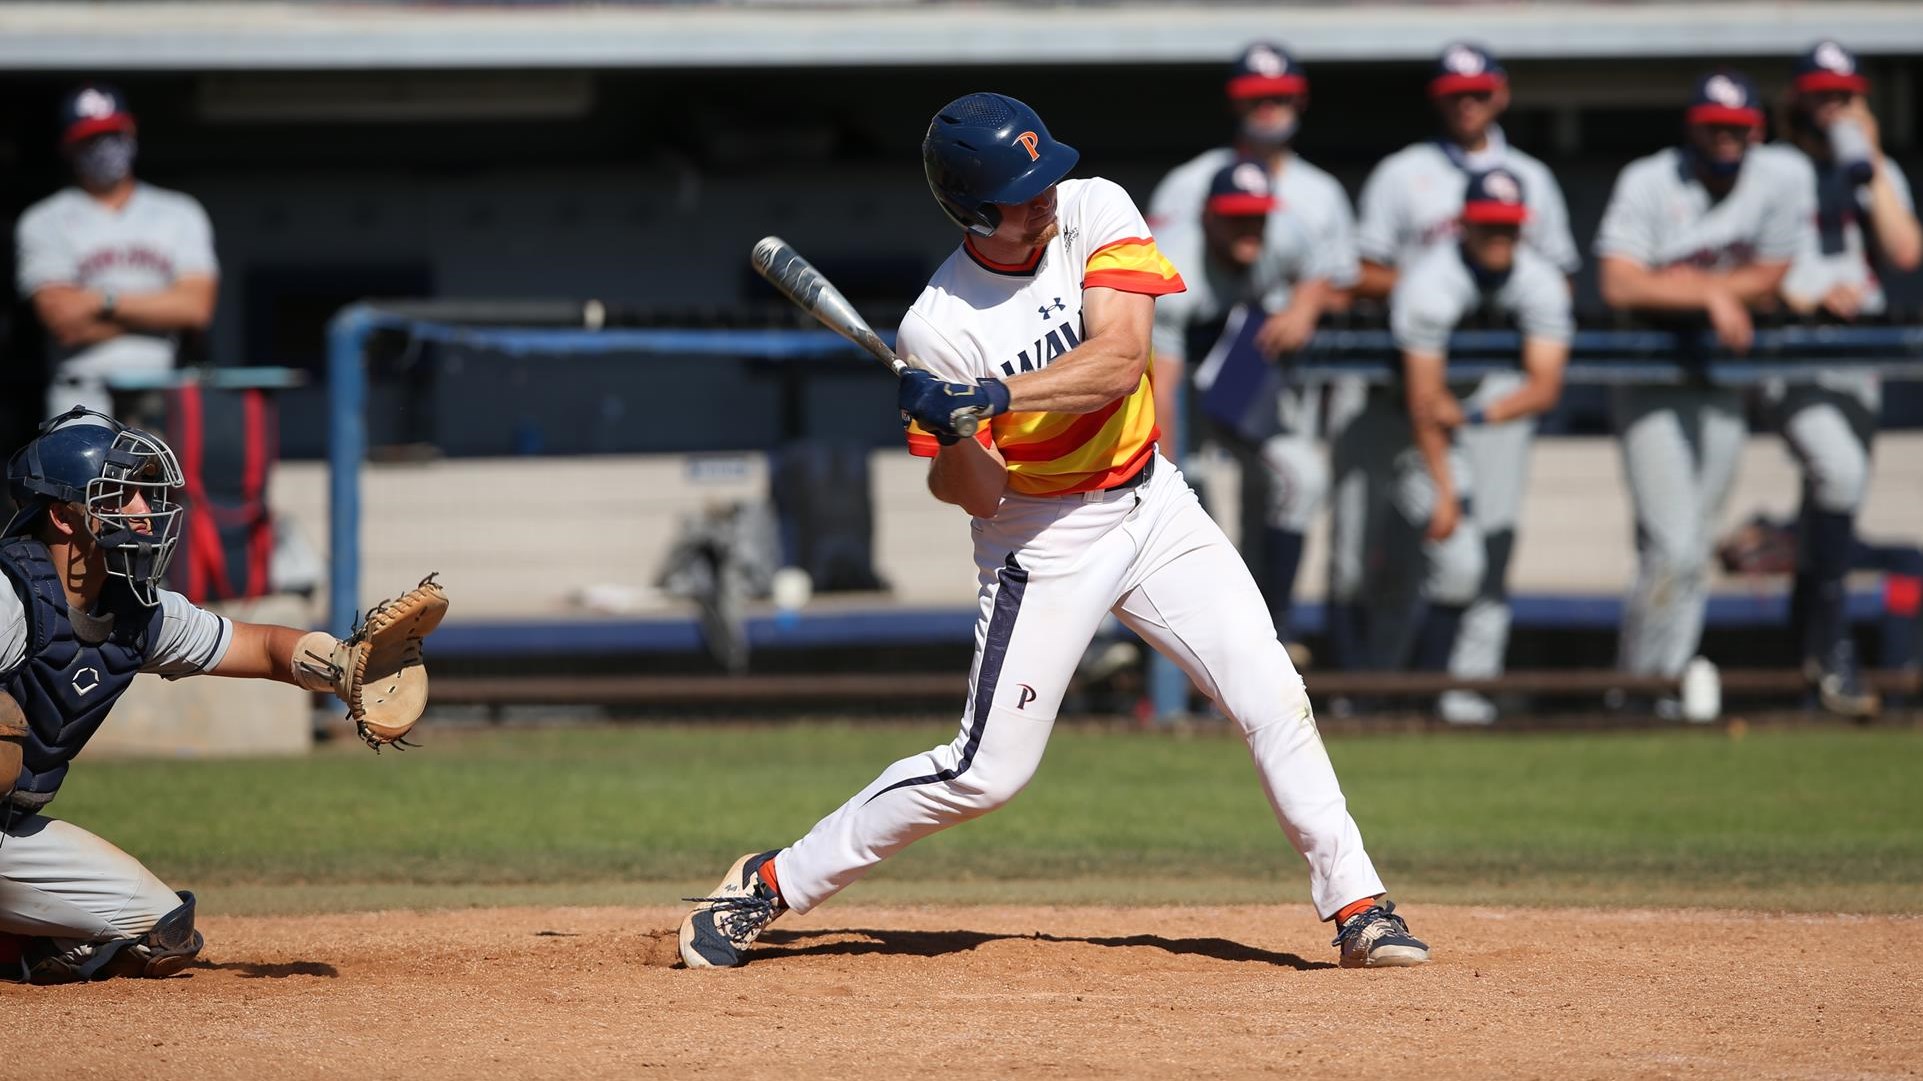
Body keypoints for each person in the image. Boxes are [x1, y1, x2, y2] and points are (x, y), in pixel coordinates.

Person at [678, 92, 1428, 972]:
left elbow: (1118, 361)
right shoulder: (937, 326)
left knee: (1270, 691)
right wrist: (954, 431)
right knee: (984, 772)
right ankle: (771, 881)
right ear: (970, 209)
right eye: (1021, 191)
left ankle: (1357, 903)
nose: (1045, 196)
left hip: (1152, 501)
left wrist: (992, 396)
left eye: (1044, 179)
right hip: (1041, 537)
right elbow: (977, 495)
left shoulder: (1093, 208)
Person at [0, 408, 428, 984]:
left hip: (9, 831)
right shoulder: (9, 598)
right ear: (63, 515)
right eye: (121, 495)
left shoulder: (137, 613)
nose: (146, 512)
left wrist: (342, 667)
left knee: (160, 932)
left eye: (148, 495)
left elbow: (262, 647)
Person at [1346, 43, 1579, 722]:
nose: (1467, 101)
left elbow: (1557, 283)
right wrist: (1438, 295)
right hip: (1407, 387)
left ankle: (1465, 699)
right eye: (1455, 91)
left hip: (1490, 391)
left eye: (1479, 90)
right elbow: (1362, 274)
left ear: (1500, 94)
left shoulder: (1530, 180)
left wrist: (1490, 299)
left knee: (1490, 549)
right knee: (1393, 561)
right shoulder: (1405, 179)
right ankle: (1382, 694)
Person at [1594, 70, 1815, 702]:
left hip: (1719, 380)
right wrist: (1714, 291)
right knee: (1673, 546)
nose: (1725, 140)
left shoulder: (1778, 176)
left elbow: (1775, 270)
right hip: (1646, 372)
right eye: (1713, 128)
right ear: (1692, 128)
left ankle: (1661, 686)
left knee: (1691, 549)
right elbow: (1620, 282)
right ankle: (1637, 691)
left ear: (1757, 131)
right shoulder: (1650, 179)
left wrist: (1711, 292)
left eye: (1737, 129)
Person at [1144, 41, 1359, 644]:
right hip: (1174, 381)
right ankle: (1176, 644)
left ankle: (1275, 628)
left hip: (1252, 375)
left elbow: (1328, 275)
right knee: (1189, 503)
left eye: (1256, 216)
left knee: (1301, 478)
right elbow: (1159, 374)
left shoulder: (1292, 219)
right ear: (1206, 215)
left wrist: (1306, 304)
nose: (1249, 226)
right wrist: (1161, 463)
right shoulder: (1182, 225)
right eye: (1234, 215)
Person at [1773, 40, 1921, 717]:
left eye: (1842, 93)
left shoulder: (1870, 166)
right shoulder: (1773, 164)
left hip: (1856, 350)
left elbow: (1903, 249)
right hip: (1791, 346)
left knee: (1829, 503)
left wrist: (1870, 163)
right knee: (1836, 473)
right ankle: (1828, 651)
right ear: (1797, 98)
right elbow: (1755, 256)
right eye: (1818, 93)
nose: (1830, 105)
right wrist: (1801, 292)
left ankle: (1802, 656)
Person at [14, 84, 218, 421]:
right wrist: (159, 314)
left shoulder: (180, 212)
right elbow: (65, 323)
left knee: (165, 473)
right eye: (90, 139)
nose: (105, 148)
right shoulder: (44, 219)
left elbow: (195, 308)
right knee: (82, 474)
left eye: (112, 135)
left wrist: (100, 301)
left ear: (131, 133)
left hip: (162, 400)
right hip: (82, 403)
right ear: (69, 147)